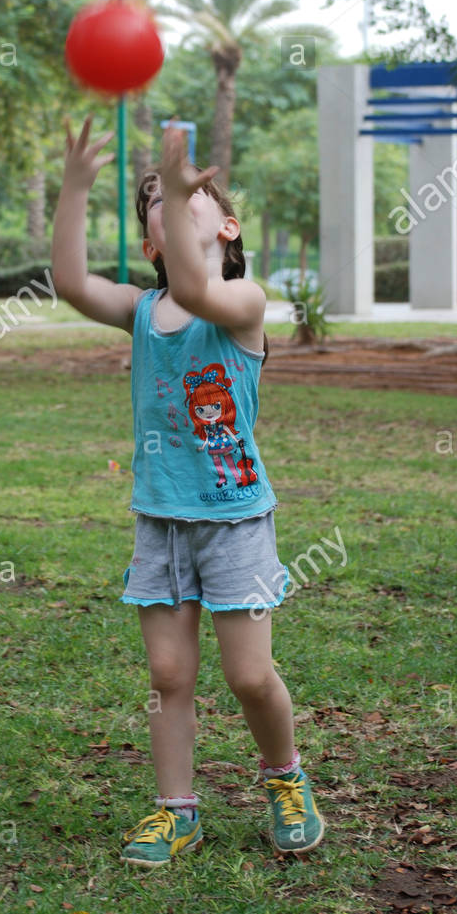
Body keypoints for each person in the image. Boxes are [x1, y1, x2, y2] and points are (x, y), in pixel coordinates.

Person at [50, 114, 325, 867]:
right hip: (161, 523)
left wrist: (174, 183)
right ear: (151, 247)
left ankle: (285, 776)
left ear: (227, 228)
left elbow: (202, 292)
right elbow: (71, 283)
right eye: (158, 211)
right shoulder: (141, 312)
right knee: (169, 676)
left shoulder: (244, 304)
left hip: (235, 521)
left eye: (189, 200)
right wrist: (75, 189)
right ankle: (178, 812)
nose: (171, 208)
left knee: (247, 675)